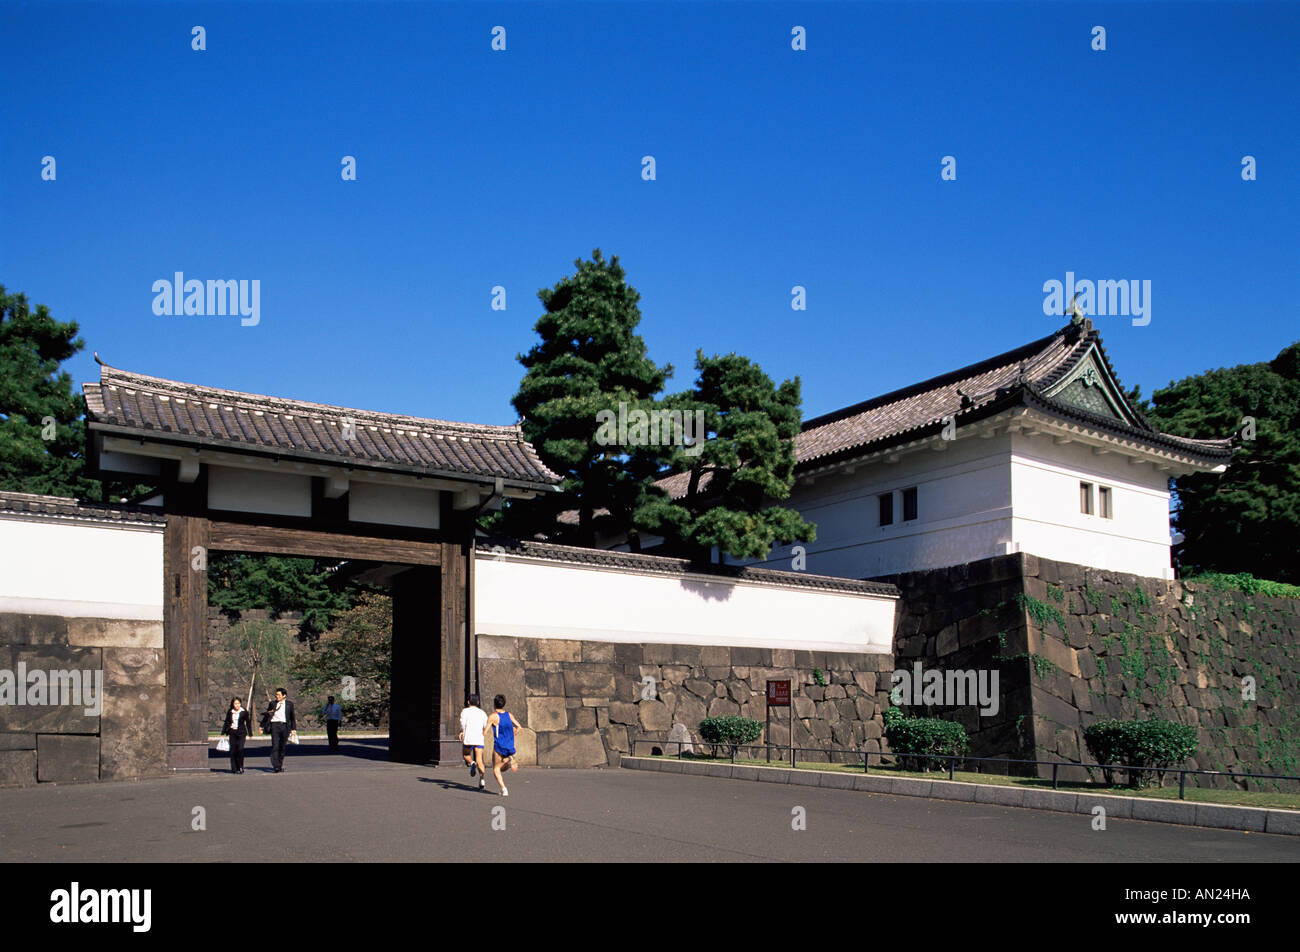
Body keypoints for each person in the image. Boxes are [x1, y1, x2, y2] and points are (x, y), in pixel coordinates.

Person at [485, 694, 519, 797]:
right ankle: (508, 761)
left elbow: (485, 731)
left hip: (499, 746)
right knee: (501, 768)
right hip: (509, 745)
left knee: (496, 769)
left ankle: (504, 789)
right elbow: (519, 727)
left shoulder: (493, 716)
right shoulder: (509, 715)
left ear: (494, 704)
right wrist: (512, 735)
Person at [262, 687, 297, 773]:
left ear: (284, 695)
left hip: (285, 726)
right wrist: (262, 726)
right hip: (275, 726)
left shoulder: (289, 704)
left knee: (282, 747)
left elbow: (292, 717)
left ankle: (279, 765)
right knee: (275, 746)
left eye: (279, 695)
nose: (277, 696)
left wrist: (293, 728)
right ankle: (276, 766)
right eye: (276, 695)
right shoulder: (272, 703)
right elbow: (267, 715)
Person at [458, 693, 488, 791]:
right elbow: (485, 726)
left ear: (468, 702)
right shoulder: (482, 713)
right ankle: (482, 779)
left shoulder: (465, 711)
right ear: (478, 702)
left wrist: (461, 731)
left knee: (466, 755)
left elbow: (462, 724)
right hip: (479, 738)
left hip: (469, 737)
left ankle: (472, 763)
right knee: (480, 760)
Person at [221, 696, 253, 773]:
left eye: (238, 703)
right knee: (233, 751)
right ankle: (234, 768)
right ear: (233, 704)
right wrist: (223, 732)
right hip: (232, 732)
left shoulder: (244, 711)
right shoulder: (230, 711)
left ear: (240, 704)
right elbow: (227, 722)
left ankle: (240, 766)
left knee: (240, 749)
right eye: (235, 703)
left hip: (241, 733)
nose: (237, 705)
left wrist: (250, 734)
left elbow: (248, 723)